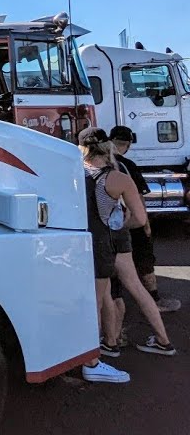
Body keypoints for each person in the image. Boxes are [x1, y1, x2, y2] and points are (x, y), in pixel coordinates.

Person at [77, 128, 176, 364]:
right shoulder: (120, 176)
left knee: (102, 296)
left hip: (95, 240)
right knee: (136, 288)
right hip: (119, 237)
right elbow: (140, 219)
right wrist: (120, 224)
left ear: (81, 148)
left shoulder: (77, 175)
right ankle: (163, 340)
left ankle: (103, 347)